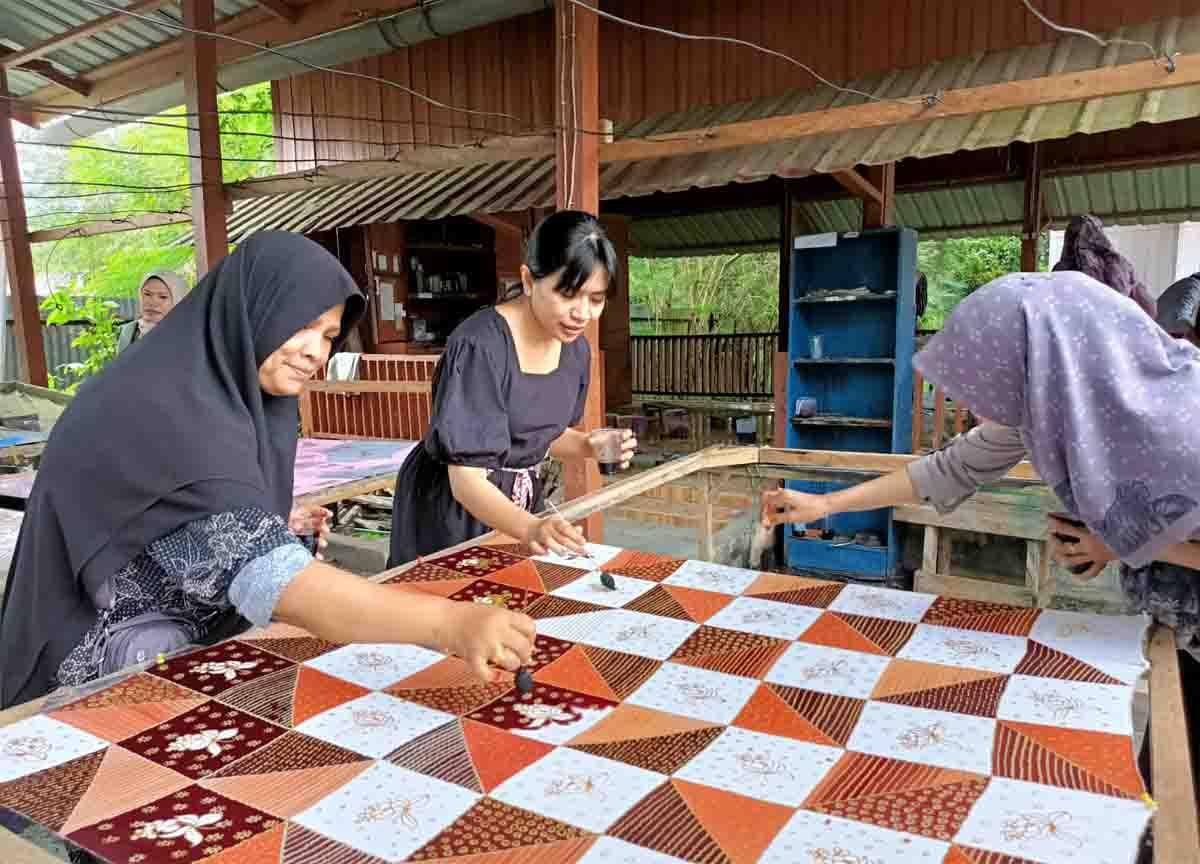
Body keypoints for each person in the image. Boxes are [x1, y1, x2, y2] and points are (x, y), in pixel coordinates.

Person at [0, 232, 535, 710]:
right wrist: (449, 623)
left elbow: (182, 521)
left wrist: (271, 523)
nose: (314, 352)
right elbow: (276, 585)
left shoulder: (215, 393)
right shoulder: (158, 410)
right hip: (86, 682)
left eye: (327, 336)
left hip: (161, 652)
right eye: (300, 325)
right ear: (251, 310)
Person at [762, 270, 1200, 787]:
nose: (985, 400)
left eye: (995, 374)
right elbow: (946, 470)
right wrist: (823, 504)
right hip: (1180, 636)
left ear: (1047, 360)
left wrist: (1117, 540)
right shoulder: (1060, 408)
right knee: (1168, 788)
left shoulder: (1183, 417)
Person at [388, 211, 636, 568]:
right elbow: (465, 480)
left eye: (595, 300)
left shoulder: (575, 351)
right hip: (453, 508)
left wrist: (585, 445)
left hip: (516, 508)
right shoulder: (480, 346)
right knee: (446, 614)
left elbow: (534, 437)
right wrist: (531, 527)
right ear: (529, 280)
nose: (582, 313)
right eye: (568, 295)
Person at [1053, 214, 1157, 318]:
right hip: (1115, 327)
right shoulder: (1119, 263)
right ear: (1099, 234)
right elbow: (1149, 309)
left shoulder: (1060, 270)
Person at [116, 269, 189, 352]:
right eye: (147, 294)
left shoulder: (188, 335)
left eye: (163, 297)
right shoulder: (128, 332)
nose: (152, 302)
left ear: (178, 300)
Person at [1156, 270, 1200, 346]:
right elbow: (1181, 314)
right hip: (1161, 335)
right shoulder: (1194, 287)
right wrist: (1195, 338)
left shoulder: (1189, 284)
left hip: (1162, 332)